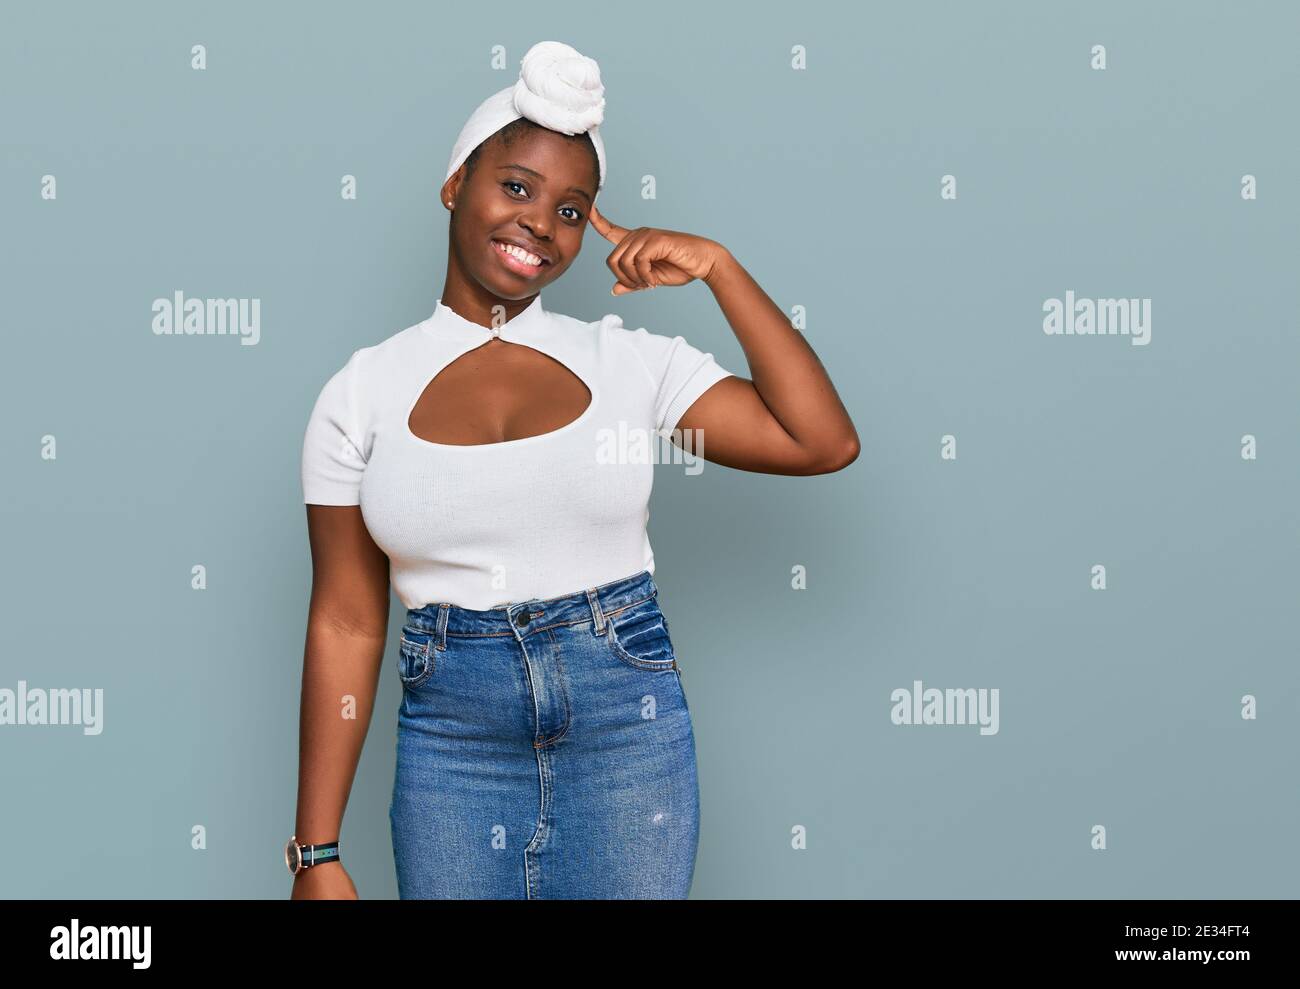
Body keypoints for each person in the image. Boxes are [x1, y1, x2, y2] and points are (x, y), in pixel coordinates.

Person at [290, 40, 859, 900]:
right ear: (456, 185)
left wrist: (719, 269)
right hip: (453, 742)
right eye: (516, 186)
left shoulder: (629, 365)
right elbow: (344, 621)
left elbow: (820, 441)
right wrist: (317, 853)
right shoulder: (359, 394)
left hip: (625, 733)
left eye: (569, 210)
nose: (537, 223)